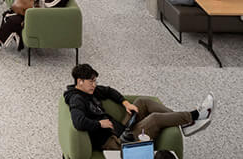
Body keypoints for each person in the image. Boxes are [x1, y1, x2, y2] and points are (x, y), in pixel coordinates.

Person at [63, 63, 213, 152]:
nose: (94, 85)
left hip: (118, 129)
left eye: (95, 81)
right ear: (80, 81)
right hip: (116, 141)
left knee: (141, 102)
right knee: (154, 119)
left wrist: (125, 103)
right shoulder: (77, 99)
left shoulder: (89, 90)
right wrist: (99, 124)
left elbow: (109, 91)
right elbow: (78, 122)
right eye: (91, 81)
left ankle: (182, 121)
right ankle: (195, 115)